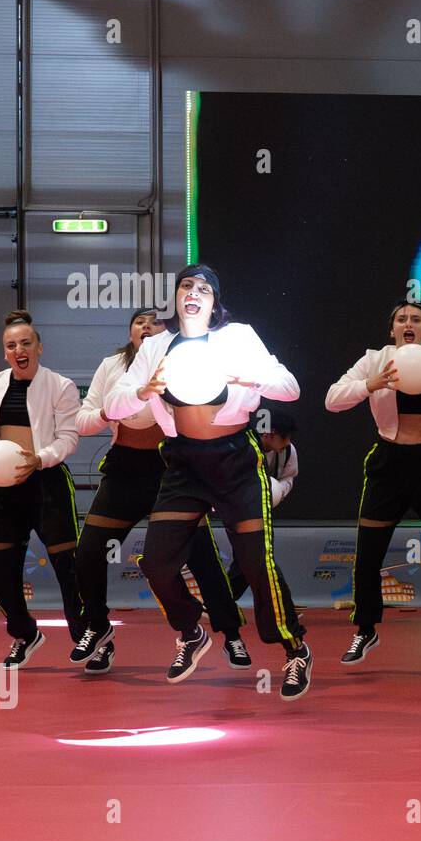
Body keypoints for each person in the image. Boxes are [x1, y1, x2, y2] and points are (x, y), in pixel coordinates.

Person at [105, 264, 311, 699]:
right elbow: (112, 404)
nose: (193, 293)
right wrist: (144, 390)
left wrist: (248, 376)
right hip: (183, 464)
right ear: (177, 297)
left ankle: (294, 649)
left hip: (234, 460)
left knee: (256, 563)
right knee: (157, 562)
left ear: (214, 301)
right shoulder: (157, 346)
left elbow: (289, 387)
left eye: (203, 288)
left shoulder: (236, 338)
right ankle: (191, 631)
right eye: (186, 286)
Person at [74, 308, 250, 675]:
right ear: (130, 332)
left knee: (202, 556)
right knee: (89, 551)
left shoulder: (182, 361)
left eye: (154, 323)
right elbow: (84, 419)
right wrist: (108, 412)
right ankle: (98, 627)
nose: (147, 326)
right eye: (140, 322)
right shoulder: (113, 366)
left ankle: (230, 633)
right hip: (124, 470)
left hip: (172, 469)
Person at [325, 299, 421, 666]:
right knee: (369, 554)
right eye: (401, 319)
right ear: (392, 329)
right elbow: (333, 399)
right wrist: (369, 384)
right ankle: (365, 629)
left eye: (416, 319)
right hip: (388, 463)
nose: (408, 323)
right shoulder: (374, 360)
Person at [0, 310, 85, 667]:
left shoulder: (61, 385)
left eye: (25, 343)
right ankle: (25, 633)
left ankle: (90, 633)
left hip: (46, 482)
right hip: (3, 487)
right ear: (5, 352)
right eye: (11, 345)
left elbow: (69, 437)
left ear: (39, 347)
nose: (19, 349)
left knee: (68, 565)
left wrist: (41, 458)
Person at [224, 408, 300, 617]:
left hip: (263, 510)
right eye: (285, 437)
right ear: (269, 434)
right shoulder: (243, 448)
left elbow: (288, 478)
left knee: (253, 557)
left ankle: (224, 603)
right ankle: (278, 610)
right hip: (238, 508)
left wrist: (278, 492)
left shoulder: (288, 452)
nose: (288, 442)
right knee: (254, 557)